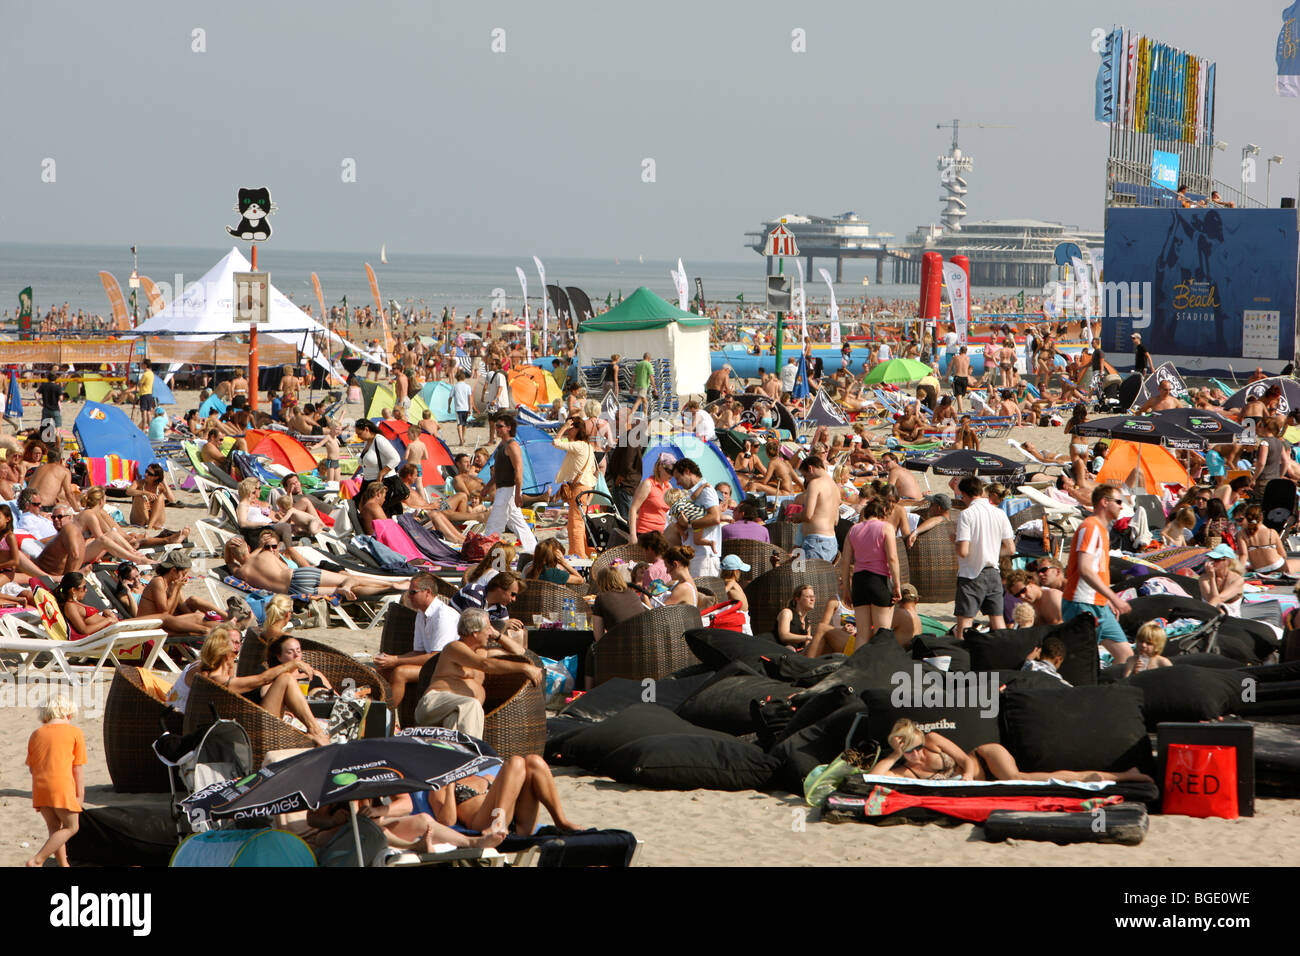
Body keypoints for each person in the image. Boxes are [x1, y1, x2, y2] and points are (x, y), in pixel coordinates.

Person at [867, 718, 1152, 783]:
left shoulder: (932, 739)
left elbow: (965, 760)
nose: (916, 755)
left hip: (984, 757)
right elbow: (876, 776)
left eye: (916, 748)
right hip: (982, 783)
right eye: (908, 753)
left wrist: (966, 776)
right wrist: (893, 754)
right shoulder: (905, 767)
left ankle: (1123, 776)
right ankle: (1122, 775)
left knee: (1022, 778)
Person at [414, 608, 542, 736]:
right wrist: (524, 668)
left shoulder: (484, 653)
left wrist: (497, 635)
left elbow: (520, 652)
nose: (490, 632)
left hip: (459, 713)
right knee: (472, 704)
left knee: (455, 721)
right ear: (475, 632)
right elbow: (484, 665)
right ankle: (475, 751)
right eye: (487, 628)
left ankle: (457, 754)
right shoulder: (454, 648)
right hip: (433, 705)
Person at [1061, 485, 1134, 663]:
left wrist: (1106, 598)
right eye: (1118, 501)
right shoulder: (1090, 527)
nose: (1121, 506)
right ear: (1104, 502)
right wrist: (1114, 598)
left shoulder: (1102, 530)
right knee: (1081, 662)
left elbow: (1097, 570)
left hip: (1098, 603)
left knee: (1127, 657)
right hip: (1081, 603)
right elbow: (1085, 569)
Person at [373, 573, 461, 715]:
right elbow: (419, 652)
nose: (408, 596)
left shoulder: (444, 615)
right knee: (382, 670)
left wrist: (395, 660)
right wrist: (391, 659)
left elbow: (435, 656)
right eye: (409, 592)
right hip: (435, 664)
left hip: (448, 667)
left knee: (400, 673)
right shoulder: (421, 613)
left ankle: (383, 718)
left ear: (427, 592)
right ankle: (374, 711)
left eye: (413, 592)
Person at [24, 695, 86, 867]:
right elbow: (77, 768)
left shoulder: (36, 734)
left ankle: (63, 865)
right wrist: (80, 794)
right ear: (68, 713)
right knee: (72, 827)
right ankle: (38, 860)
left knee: (54, 828)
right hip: (62, 786)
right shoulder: (74, 732)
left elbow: (31, 767)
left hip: (40, 787)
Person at [952, 476, 1015, 635]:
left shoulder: (967, 514)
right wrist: (991, 551)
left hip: (971, 574)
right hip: (993, 572)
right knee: (997, 620)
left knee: (965, 622)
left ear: (964, 494)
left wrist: (955, 542)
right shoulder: (999, 513)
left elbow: (963, 551)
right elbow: (1011, 549)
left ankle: (963, 657)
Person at [839, 497, 901, 638]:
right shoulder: (886, 527)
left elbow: (845, 561)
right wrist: (897, 584)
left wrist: (847, 590)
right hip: (879, 580)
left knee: (862, 634)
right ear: (883, 513)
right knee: (882, 633)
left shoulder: (853, 529)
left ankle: (861, 660)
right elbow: (892, 558)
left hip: (859, 581)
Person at [482, 413, 537, 553]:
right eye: (496, 426)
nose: (497, 429)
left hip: (508, 490)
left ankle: (487, 553)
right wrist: (487, 487)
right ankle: (534, 550)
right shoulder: (502, 445)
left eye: (500, 426)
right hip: (503, 489)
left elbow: (519, 470)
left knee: (494, 525)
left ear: (508, 428)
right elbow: (498, 471)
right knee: (518, 524)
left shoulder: (512, 445)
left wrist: (518, 493)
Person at [670, 458, 723, 579]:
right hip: (696, 555)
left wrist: (688, 524)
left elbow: (715, 518)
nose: (677, 483)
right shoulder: (693, 493)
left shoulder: (706, 491)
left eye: (678, 478)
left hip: (704, 556)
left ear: (688, 471)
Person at [553, 416, 595, 559]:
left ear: (577, 429)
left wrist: (564, 427)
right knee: (579, 523)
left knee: (575, 524)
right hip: (585, 487)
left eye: (571, 427)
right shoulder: (588, 446)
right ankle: (584, 553)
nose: (568, 431)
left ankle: (578, 556)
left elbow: (555, 442)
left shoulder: (579, 446)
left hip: (579, 488)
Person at [797, 456, 839, 562]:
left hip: (816, 542)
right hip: (831, 540)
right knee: (822, 578)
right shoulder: (835, 487)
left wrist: (795, 516)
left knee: (806, 577)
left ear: (810, 468)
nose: (806, 480)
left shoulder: (815, 484)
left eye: (805, 476)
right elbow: (835, 520)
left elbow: (807, 515)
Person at [590, 565, 650, 641]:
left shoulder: (601, 598)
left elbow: (598, 637)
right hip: (644, 640)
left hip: (621, 644)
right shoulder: (633, 594)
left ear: (600, 582)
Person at [1199, 543, 1245, 615]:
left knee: (1220, 608)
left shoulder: (1237, 580)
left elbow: (1218, 600)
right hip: (1210, 615)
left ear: (1228, 561)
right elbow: (1210, 601)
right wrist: (1212, 578)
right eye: (1211, 559)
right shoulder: (1204, 578)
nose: (1212, 562)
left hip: (1231, 618)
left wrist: (1211, 578)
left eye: (1216, 560)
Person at [775, 584, 815, 651]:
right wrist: (807, 637)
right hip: (778, 650)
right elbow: (784, 636)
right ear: (797, 599)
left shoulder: (807, 622)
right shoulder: (787, 613)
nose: (812, 599)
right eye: (808, 596)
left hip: (796, 654)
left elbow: (807, 645)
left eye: (813, 597)